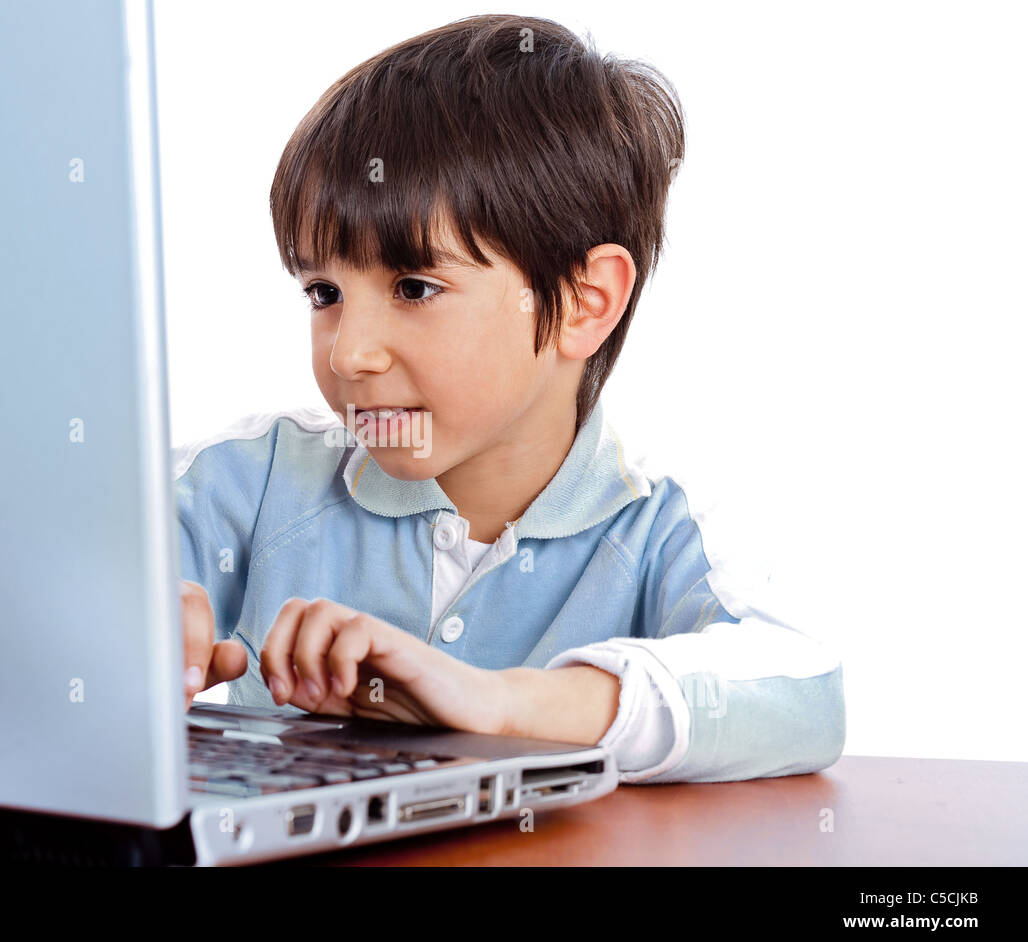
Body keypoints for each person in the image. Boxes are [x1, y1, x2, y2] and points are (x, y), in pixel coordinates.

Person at [172, 13, 845, 783]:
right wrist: (107, 625)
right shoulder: (251, 478)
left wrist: (498, 704)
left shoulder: (662, 524)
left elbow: (804, 695)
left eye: (414, 287)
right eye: (323, 291)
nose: (349, 353)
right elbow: (46, 576)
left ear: (584, 302)